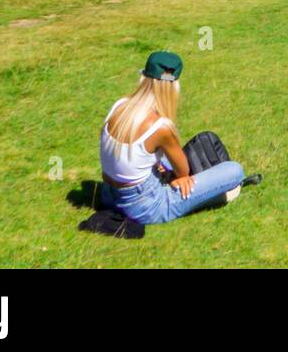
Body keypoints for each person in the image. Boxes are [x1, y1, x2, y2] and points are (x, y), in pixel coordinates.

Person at [98, 51, 246, 226]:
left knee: (168, 161)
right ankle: (212, 196)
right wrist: (180, 176)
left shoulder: (120, 105)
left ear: (144, 77)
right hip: (145, 207)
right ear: (173, 87)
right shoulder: (160, 127)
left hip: (108, 195)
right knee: (234, 171)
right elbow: (183, 171)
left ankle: (197, 188)